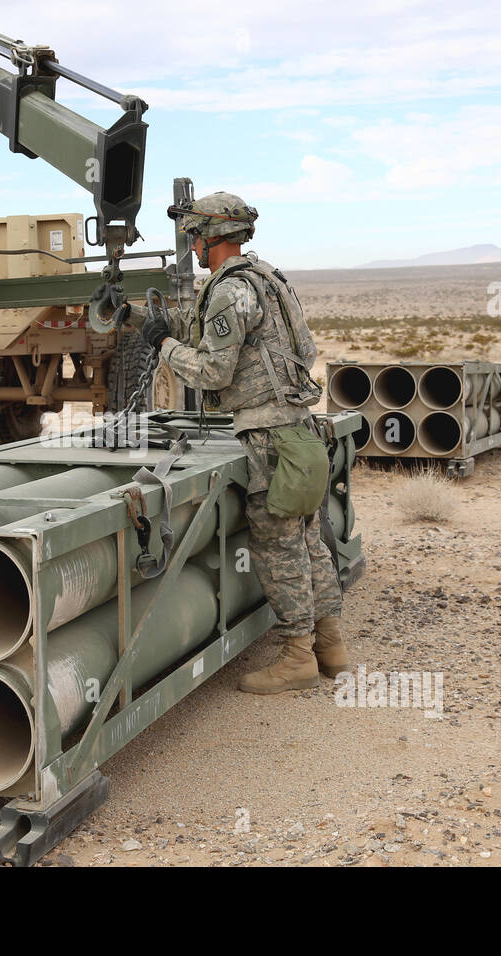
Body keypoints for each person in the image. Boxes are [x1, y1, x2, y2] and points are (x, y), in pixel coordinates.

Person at [124, 191, 350, 694]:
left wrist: (163, 347)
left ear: (210, 237)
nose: (194, 247)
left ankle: (297, 659)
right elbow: (227, 335)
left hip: (268, 438)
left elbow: (210, 369)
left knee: (279, 549)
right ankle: (331, 648)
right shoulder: (267, 279)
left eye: (195, 237)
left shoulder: (230, 290)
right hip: (298, 429)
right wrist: (145, 321)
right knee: (310, 542)